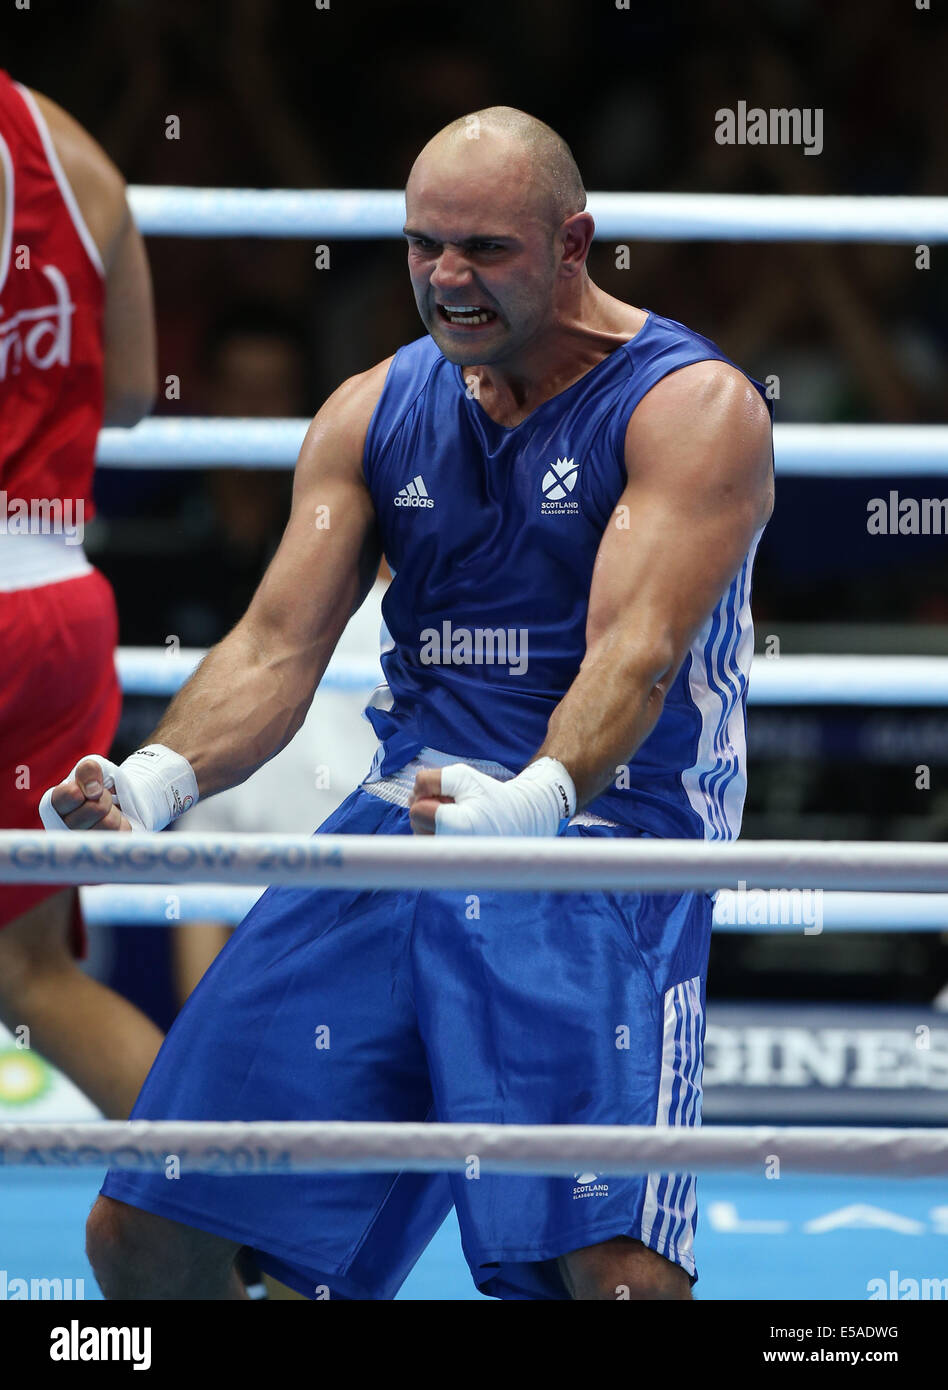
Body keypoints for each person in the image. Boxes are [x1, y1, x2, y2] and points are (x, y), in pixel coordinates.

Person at [46, 106, 774, 1300]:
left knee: (619, 1284)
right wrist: (155, 775)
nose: (447, 277)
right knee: (143, 1234)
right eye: (423, 245)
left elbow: (633, 656)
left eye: (485, 248)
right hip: (405, 824)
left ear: (574, 241)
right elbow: (280, 641)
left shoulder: (691, 409)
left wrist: (532, 804)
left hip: (603, 842)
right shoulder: (373, 409)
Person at [0, 70, 164, 1119]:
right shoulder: (83, 160)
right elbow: (138, 395)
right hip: (58, 596)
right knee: (31, 979)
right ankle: (240, 1237)